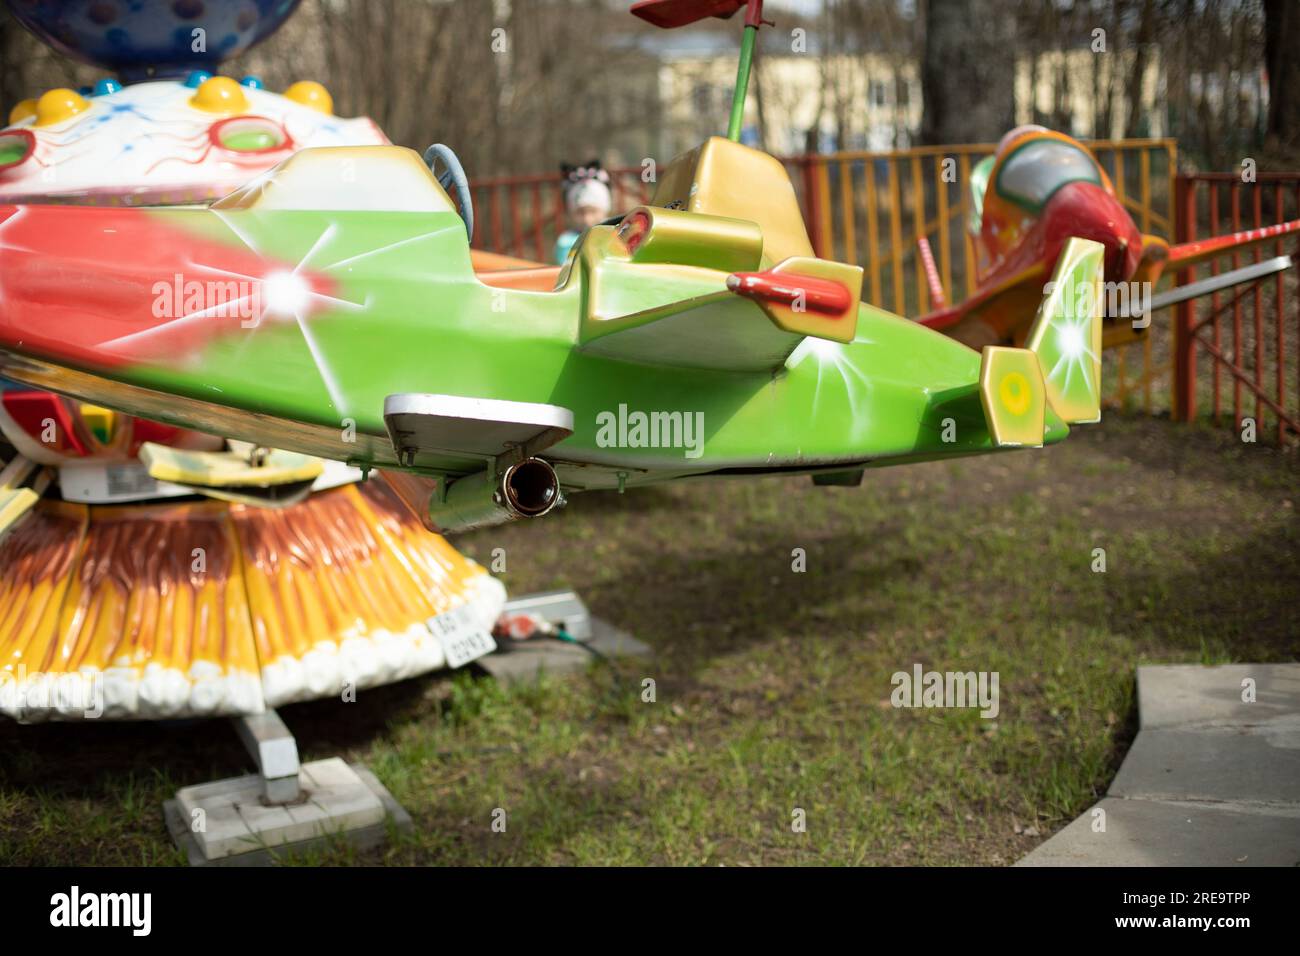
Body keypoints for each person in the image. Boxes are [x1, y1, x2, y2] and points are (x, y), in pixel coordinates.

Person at [554, 160, 612, 264]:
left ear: (605, 209)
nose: (587, 219)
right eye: (580, 213)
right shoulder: (566, 242)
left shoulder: (614, 236)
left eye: (593, 211)